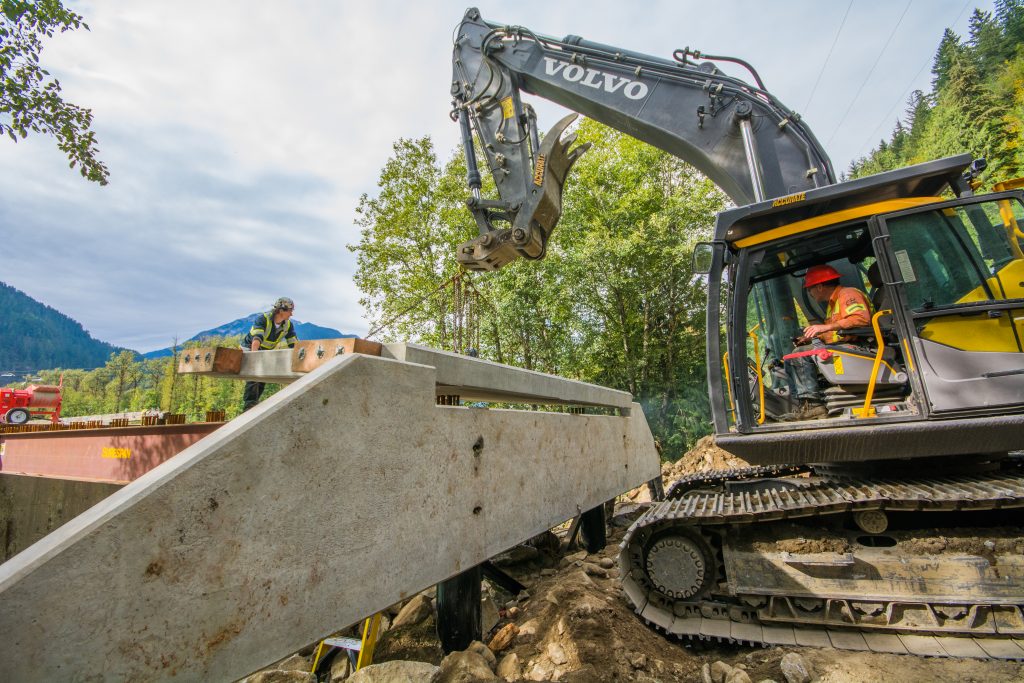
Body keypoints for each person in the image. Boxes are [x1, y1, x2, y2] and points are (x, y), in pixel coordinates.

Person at [784, 265, 873, 419]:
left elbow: (861, 318)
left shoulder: (848, 294)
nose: (809, 293)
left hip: (861, 346)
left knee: (798, 355)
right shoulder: (833, 304)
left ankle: (813, 405)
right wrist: (811, 337)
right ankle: (803, 404)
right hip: (844, 346)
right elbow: (835, 333)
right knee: (790, 358)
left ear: (819, 286)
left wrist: (826, 326)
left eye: (809, 289)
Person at [241, 297, 298, 411]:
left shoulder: (288, 325)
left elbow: (294, 344)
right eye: (290, 310)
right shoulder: (263, 319)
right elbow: (257, 339)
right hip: (250, 348)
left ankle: (255, 404)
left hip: (265, 351)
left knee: (263, 377)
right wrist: (254, 359)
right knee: (255, 374)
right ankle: (249, 406)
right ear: (281, 310)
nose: (291, 314)